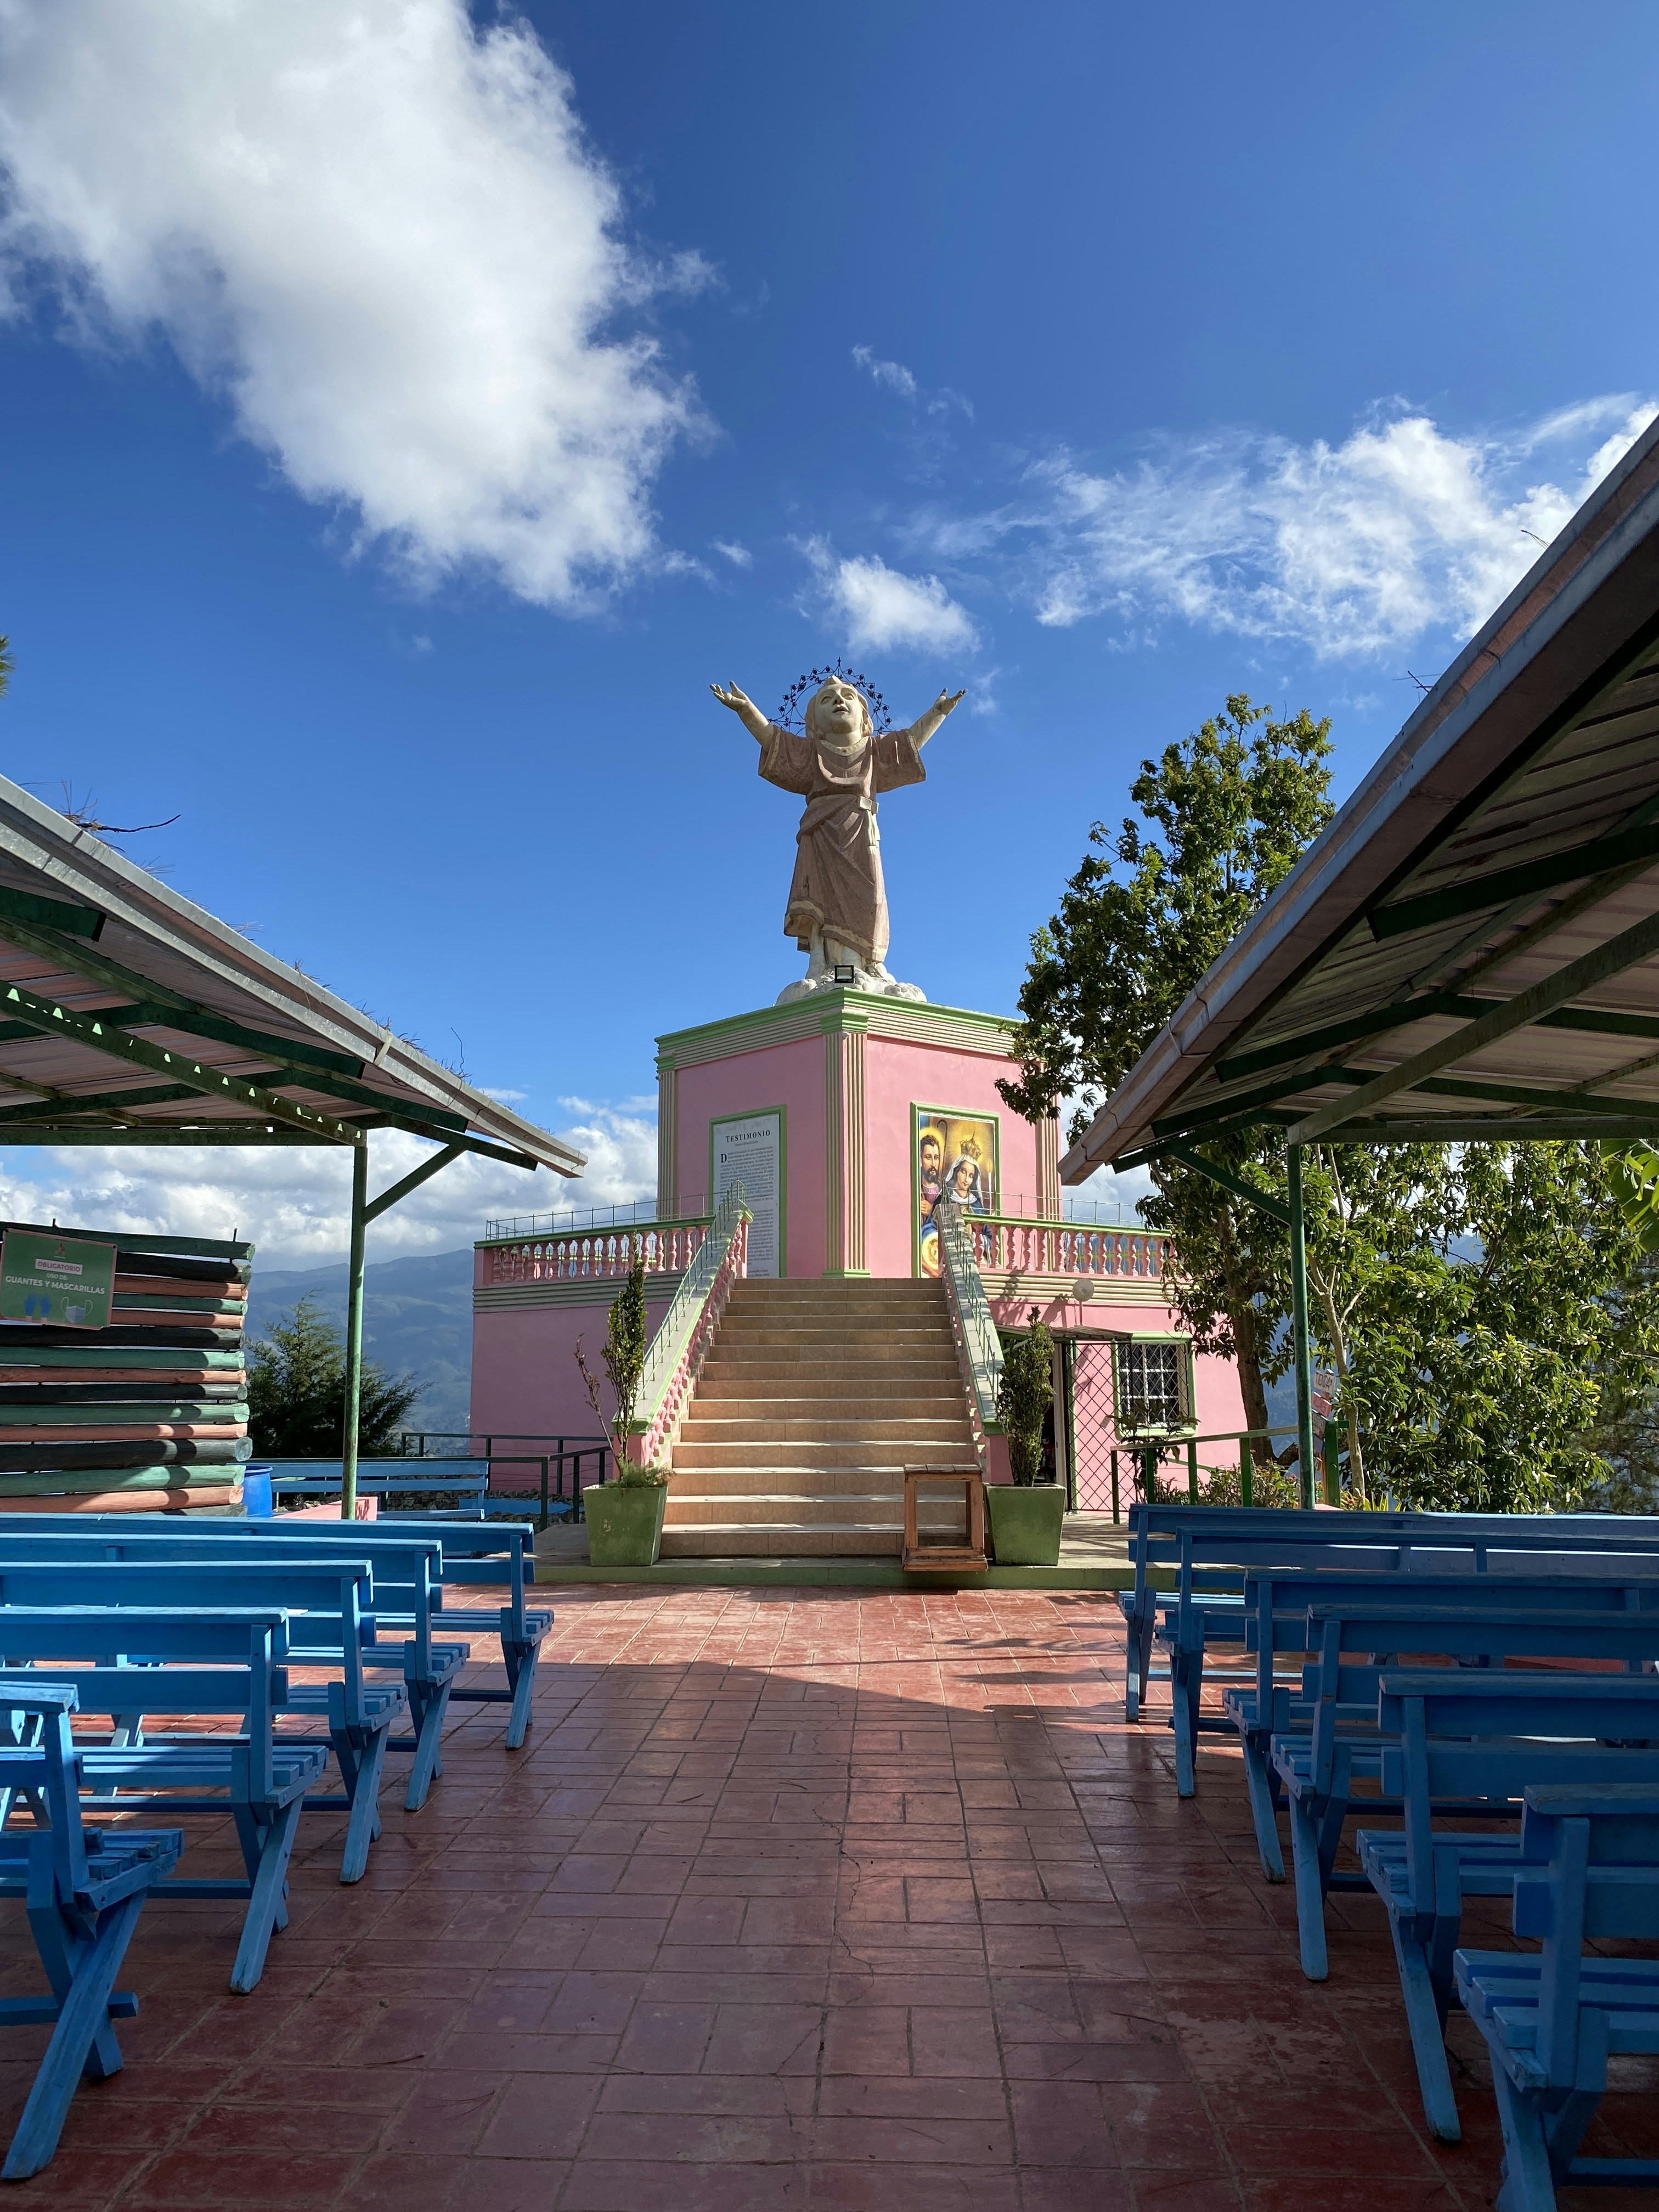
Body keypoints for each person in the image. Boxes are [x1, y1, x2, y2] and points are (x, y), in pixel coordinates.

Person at [710, 672, 963, 998]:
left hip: (860, 831)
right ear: (814, 722)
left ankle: (866, 964)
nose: (839, 701)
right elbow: (774, 740)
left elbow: (909, 742)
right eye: (827, 700)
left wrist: (937, 713)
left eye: (847, 696)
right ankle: (829, 967)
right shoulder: (810, 752)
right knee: (823, 899)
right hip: (821, 832)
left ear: (864, 716)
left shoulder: (874, 751)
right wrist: (747, 711)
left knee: (869, 896)